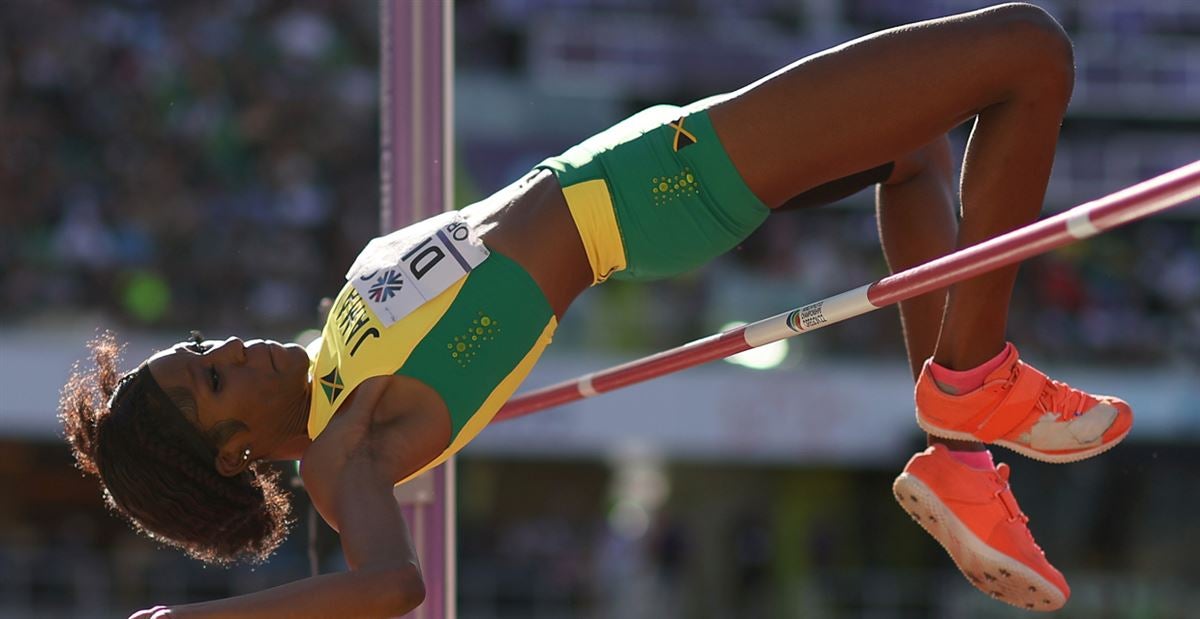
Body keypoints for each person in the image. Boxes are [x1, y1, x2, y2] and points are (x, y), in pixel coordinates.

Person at [60, 4, 1133, 617]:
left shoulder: (331, 359)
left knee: (915, 150)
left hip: (643, 163)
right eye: (212, 379)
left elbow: (333, 358)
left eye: (199, 347)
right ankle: (970, 388)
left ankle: (956, 454)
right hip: (655, 186)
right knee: (1028, 53)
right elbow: (391, 583)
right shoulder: (348, 454)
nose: (231, 349)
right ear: (241, 450)